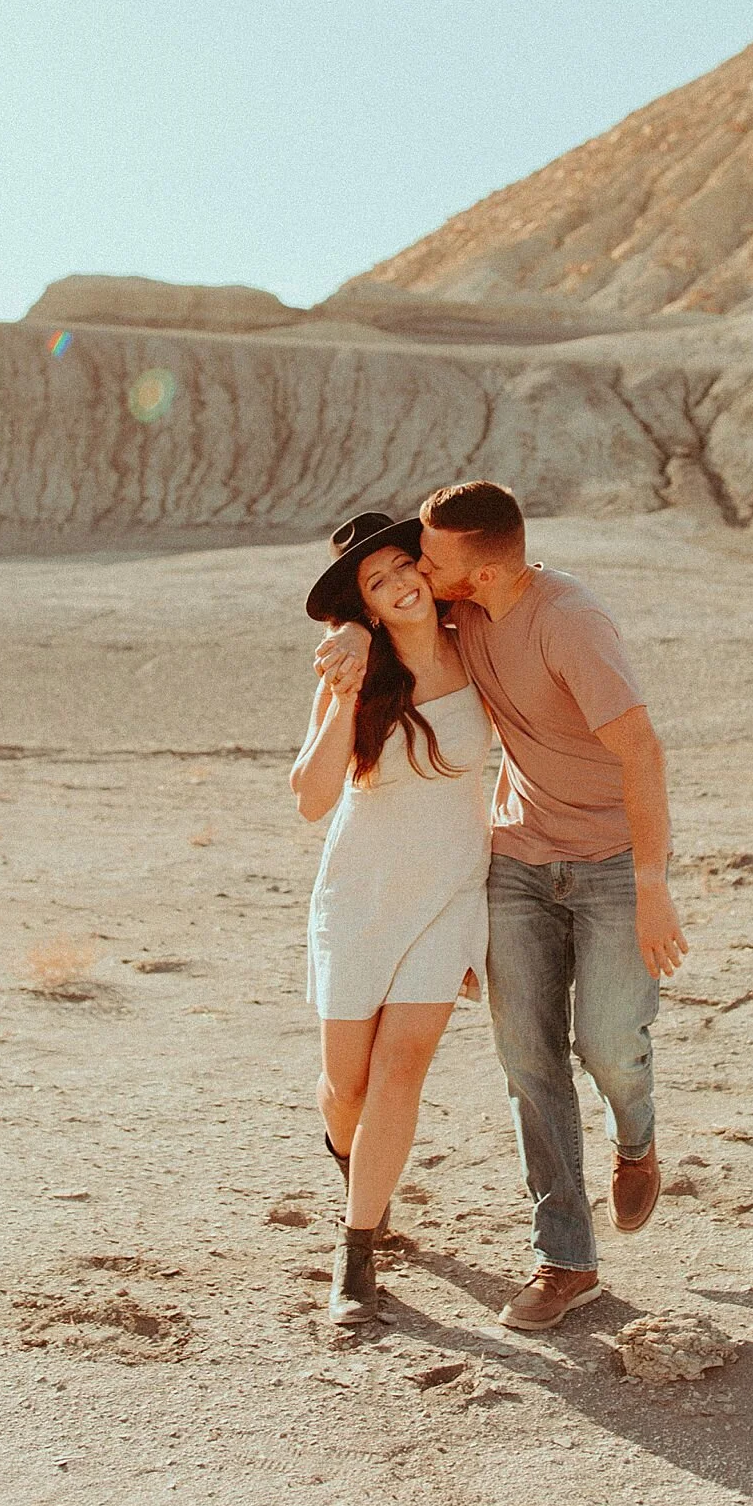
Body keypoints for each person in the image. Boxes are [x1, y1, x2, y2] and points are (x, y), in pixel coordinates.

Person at [316, 481, 687, 1332]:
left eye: (432, 558)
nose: (421, 568)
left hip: (609, 862)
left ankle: (637, 1142)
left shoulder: (570, 623)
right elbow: (380, 619)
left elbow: (642, 750)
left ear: (476, 573)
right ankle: (565, 1260)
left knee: (607, 1044)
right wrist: (344, 623)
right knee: (527, 1061)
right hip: (515, 858)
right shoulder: (462, 615)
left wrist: (653, 883)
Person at [291, 510, 491, 1327]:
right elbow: (310, 801)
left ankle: (356, 1248)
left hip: (450, 894)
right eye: (376, 582)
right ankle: (353, 1162)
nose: (400, 584)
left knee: (402, 1069)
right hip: (361, 899)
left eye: (406, 565)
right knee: (348, 1091)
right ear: (364, 606)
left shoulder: (477, 646)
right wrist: (347, 687)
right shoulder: (350, 673)